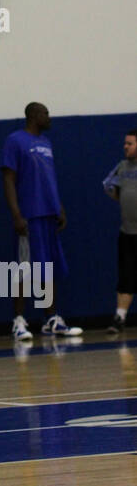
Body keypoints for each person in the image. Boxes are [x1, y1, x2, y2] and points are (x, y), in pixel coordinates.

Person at [1, 102, 83, 342]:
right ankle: (18, 321)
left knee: (49, 268)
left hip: (49, 214)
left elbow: (48, 178)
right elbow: (8, 179)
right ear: (34, 116)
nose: (49, 117)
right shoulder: (15, 141)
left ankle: (51, 319)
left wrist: (59, 207)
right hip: (29, 215)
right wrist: (16, 214)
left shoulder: (47, 144)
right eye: (45, 113)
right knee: (25, 269)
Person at [102, 128, 137, 334]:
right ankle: (120, 318)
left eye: (130, 143)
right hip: (128, 233)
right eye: (125, 143)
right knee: (126, 277)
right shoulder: (122, 167)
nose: (125, 146)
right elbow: (109, 186)